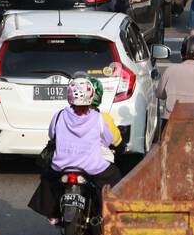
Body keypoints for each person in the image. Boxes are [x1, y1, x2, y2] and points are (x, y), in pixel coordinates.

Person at [26, 77, 124, 224]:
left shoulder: (59, 115)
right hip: (91, 167)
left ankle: (53, 213)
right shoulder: (98, 118)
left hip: (62, 165)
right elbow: (108, 140)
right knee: (115, 176)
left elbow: (52, 135)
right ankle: (108, 215)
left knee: (47, 178)